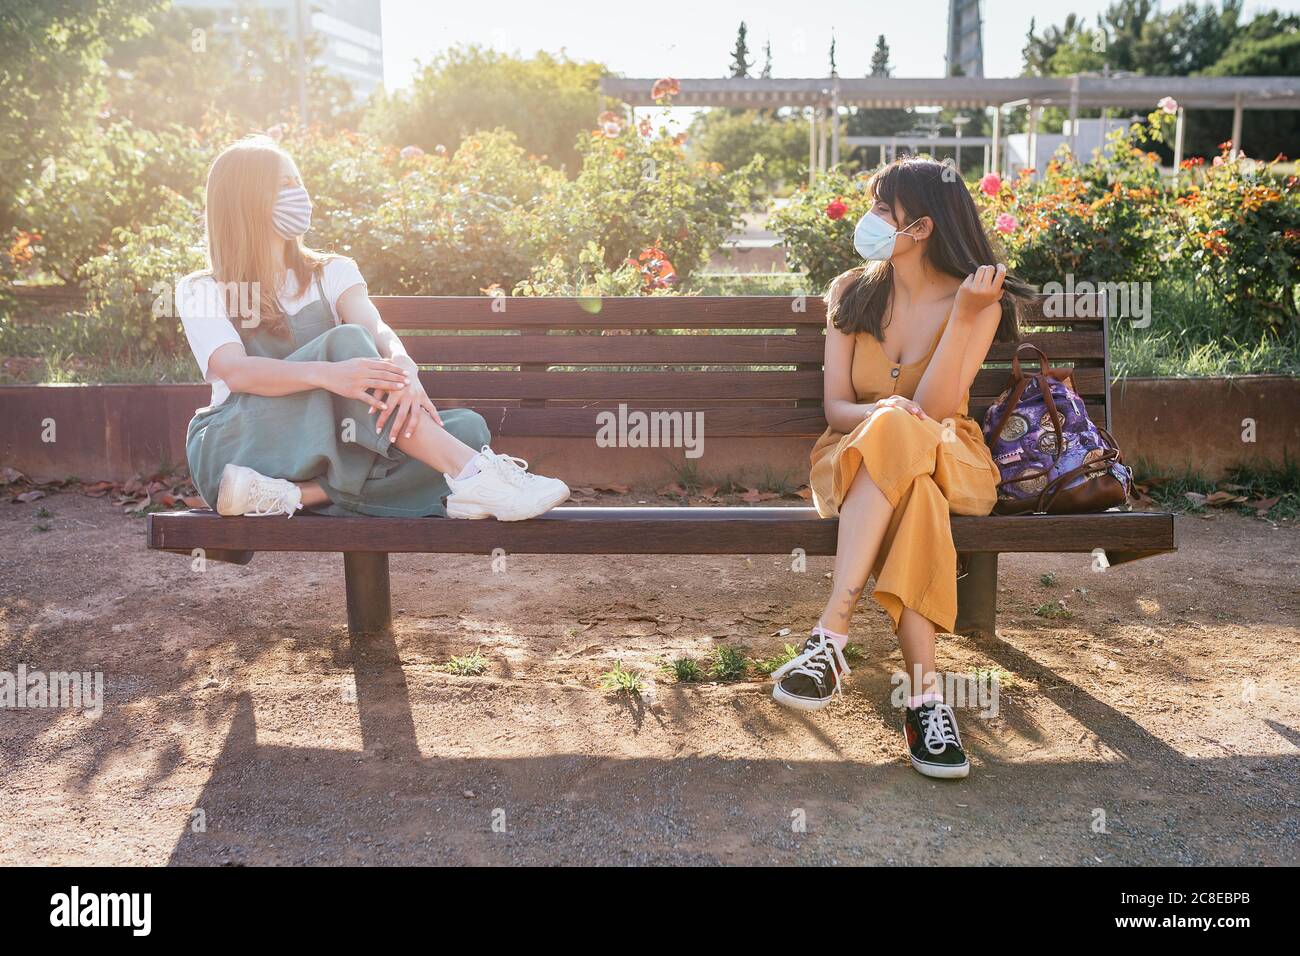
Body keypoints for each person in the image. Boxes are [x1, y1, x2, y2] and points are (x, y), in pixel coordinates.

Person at [770, 158, 1032, 780]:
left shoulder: (974, 300)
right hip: (854, 456)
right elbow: (836, 407)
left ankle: (831, 635)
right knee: (911, 489)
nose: (870, 221)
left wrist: (967, 316)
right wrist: (882, 409)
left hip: (948, 452)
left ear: (922, 224)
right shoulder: (852, 293)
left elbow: (938, 410)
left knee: (911, 448)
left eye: (882, 211)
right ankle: (925, 700)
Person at [177, 135, 569, 522]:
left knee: (467, 428)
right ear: (246, 199)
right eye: (283, 185)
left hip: (328, 444)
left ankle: (296, 495)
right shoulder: (203, 289)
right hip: (240, 446)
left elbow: (375, 326)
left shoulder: (331, 271)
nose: (299, 193)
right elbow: (237, 371)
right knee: (346, 342)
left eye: (299, 182)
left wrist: (402, 364)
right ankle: (476, 475)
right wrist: (332, 374)